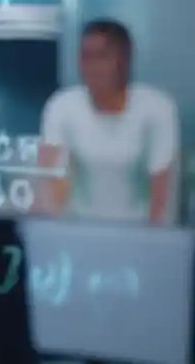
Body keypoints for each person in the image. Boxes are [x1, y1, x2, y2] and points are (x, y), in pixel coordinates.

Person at [39, 19, 180, 224]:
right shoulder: (61, 106)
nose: (92, 67)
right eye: (86, 57)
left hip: (141, 235)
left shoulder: (158, 109)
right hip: (77, 232)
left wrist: (152, 245)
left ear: (125, 61)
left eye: (102, 57)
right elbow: (51, 185)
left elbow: (163, 196)